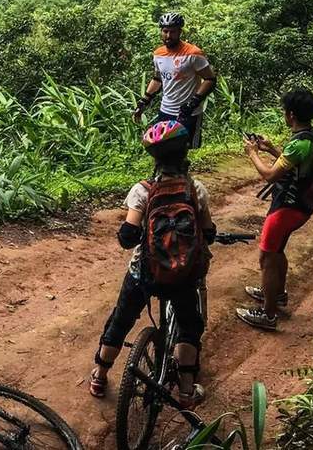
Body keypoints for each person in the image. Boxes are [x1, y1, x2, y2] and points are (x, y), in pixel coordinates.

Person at [89, 120, 219, 409]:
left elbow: (127, 237)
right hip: (184, 275)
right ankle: (186, 391)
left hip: (145, 273)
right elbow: (209, 232)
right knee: (188, 326)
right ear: (184, 151)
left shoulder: (143, 190)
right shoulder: (195, 189)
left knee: (121, 320)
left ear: (154, 157)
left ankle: (99, 376)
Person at [238, 89, 313, 331]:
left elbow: (269, 175)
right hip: (301, 206)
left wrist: (252, 153)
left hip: (288, 206)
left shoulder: (300, 143)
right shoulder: (311, 137)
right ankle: (276, 293)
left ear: (291, 115)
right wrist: (272, 149)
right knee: (278, 251)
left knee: (267, 256)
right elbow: (295, 165)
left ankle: (268, 314)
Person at [133, 12, 218, 149]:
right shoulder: (158, 54)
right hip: (165, 110)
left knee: (186, 149)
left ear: (180, 32)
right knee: (162, 146)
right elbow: (158, 79)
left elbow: (210, 79)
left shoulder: (193, 53)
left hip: (189, 113)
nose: (168, 36)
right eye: (165, 31)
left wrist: (193, 102)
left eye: (172, 32)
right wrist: (144, 101)